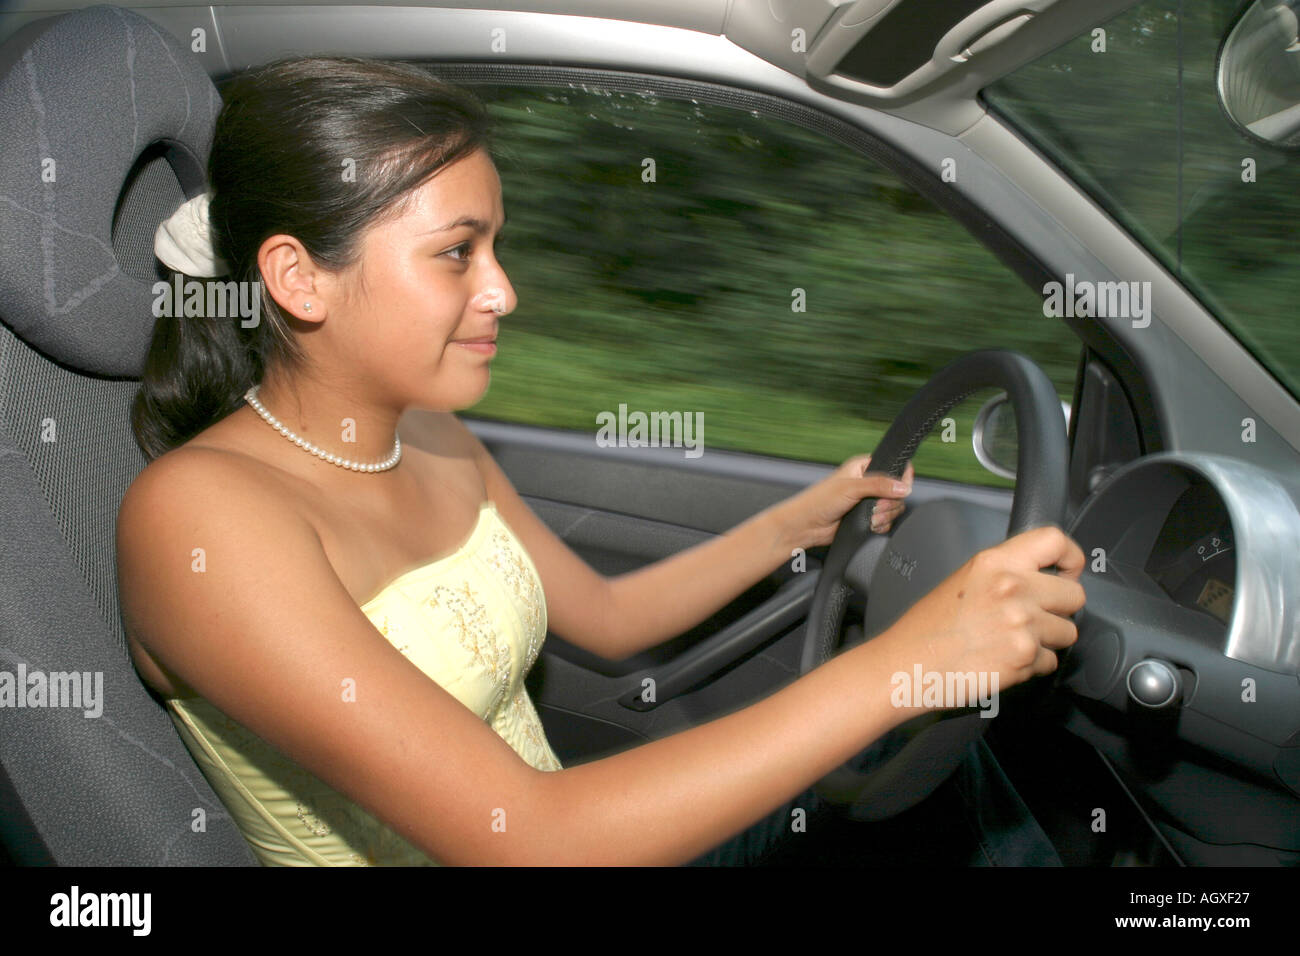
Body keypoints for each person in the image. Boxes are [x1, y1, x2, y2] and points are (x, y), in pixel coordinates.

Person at [116, 56, 1086, 866]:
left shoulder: (432, 434)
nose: (504, 289)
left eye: (496, 244)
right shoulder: (199, 518)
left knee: (950, 779)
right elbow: (529, 834)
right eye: (458, 252)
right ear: (298, 277)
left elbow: (613, 616)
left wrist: (798, 521)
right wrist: (906, 664)